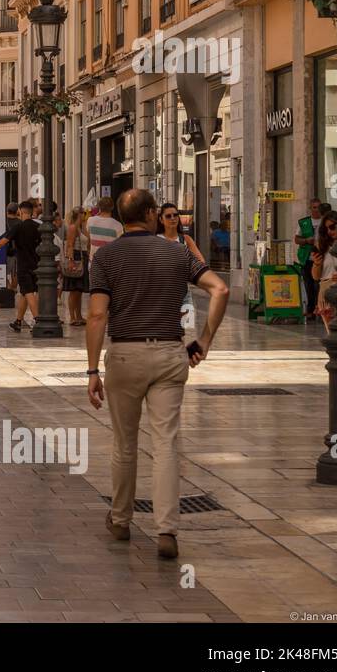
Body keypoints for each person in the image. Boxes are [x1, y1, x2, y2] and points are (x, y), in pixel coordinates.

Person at [86, 188, 229, 560]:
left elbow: (98, 315)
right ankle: (167, 530)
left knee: (124, 443)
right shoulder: (178, 252)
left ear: (121, 216)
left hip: (124, 355)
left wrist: (91, 369)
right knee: (166, 442)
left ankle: (120, 520)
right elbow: (220, 289)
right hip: (169, 352)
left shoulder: (106, 257)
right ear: (150, 214)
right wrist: (204, 341)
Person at [0, 201, 40, 332]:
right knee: (24, 293)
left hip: (23, 265)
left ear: (20, 211)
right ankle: (18, 321)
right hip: (36, 264)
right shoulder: (38, 227)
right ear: (31, 212)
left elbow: (5, 240)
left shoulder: (19, 227)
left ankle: (38, 320)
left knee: (29, 292)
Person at [61, 206, 90, 327]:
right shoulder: (72, 228)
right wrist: (71, 260)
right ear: (79, 214)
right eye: (84, 213)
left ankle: (79, 316)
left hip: (83, 256)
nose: (86, 215)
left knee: (79, 290)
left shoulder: (82, 228)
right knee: (74, 290)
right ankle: (72, 317)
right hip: (76, 257)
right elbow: (70, 245)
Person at [296, 198, 324, 322]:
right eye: (314, 207)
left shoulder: (326, 222)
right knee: (309, 285)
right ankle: (310, 309)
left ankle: (320, 308)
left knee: (318, 285)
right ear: (310, 208)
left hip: (322, 257)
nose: (316, 209)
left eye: (318, 207)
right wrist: (307, 241)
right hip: (307, 258)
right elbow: (297, 239)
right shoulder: (304, 222)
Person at [86, 196, 124, 261]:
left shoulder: (90, 220)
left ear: (99, 207)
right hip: (110, 262)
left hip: (94, 260)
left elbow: (88, 240)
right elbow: (119, 247)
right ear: (112, 208)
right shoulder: (118, 225)